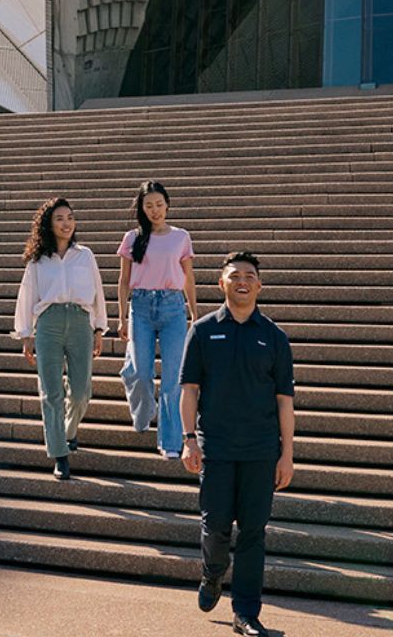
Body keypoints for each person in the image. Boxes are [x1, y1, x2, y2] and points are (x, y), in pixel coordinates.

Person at [180, 251, 295, 637]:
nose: (242, 281)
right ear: (221, 283)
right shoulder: (203, 330)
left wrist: (287, 455)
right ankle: (212, 573)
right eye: (235, 275)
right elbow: (189, 390)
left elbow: (285, 401)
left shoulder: (274, 337)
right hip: (216, 448)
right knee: (215, 530)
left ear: (259, 286)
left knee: (252, 532)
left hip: (261, 451)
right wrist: (188, 440)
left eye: (249, 276)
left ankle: (245, 612)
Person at [12, 196, 111, 480]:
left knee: (81, 391)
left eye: (69, 217)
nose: (66, 223)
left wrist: (98, 329)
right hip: (48, 324)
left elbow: (97, 290)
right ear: (48, 224)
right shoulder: (38, 260)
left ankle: (68, 432)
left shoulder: (85, 255)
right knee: (51, 393)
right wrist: (26, 335)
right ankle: (59, 455)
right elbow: (27, 296)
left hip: (80, 322)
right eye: (59, 218)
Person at [116, 181, 195, 460]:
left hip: (173, 307)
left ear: (167, 205)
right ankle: (142, 410)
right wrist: (122, 316)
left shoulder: (181, 237)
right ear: (142, 208)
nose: (155, 210)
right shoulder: (132, 238)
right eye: (148, 205)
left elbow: (188, 278)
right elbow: (124, 280)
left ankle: (171, 442)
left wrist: (195, 313)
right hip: (141, 307)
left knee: (173, 378)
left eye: (159, 204)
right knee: (139, 372)